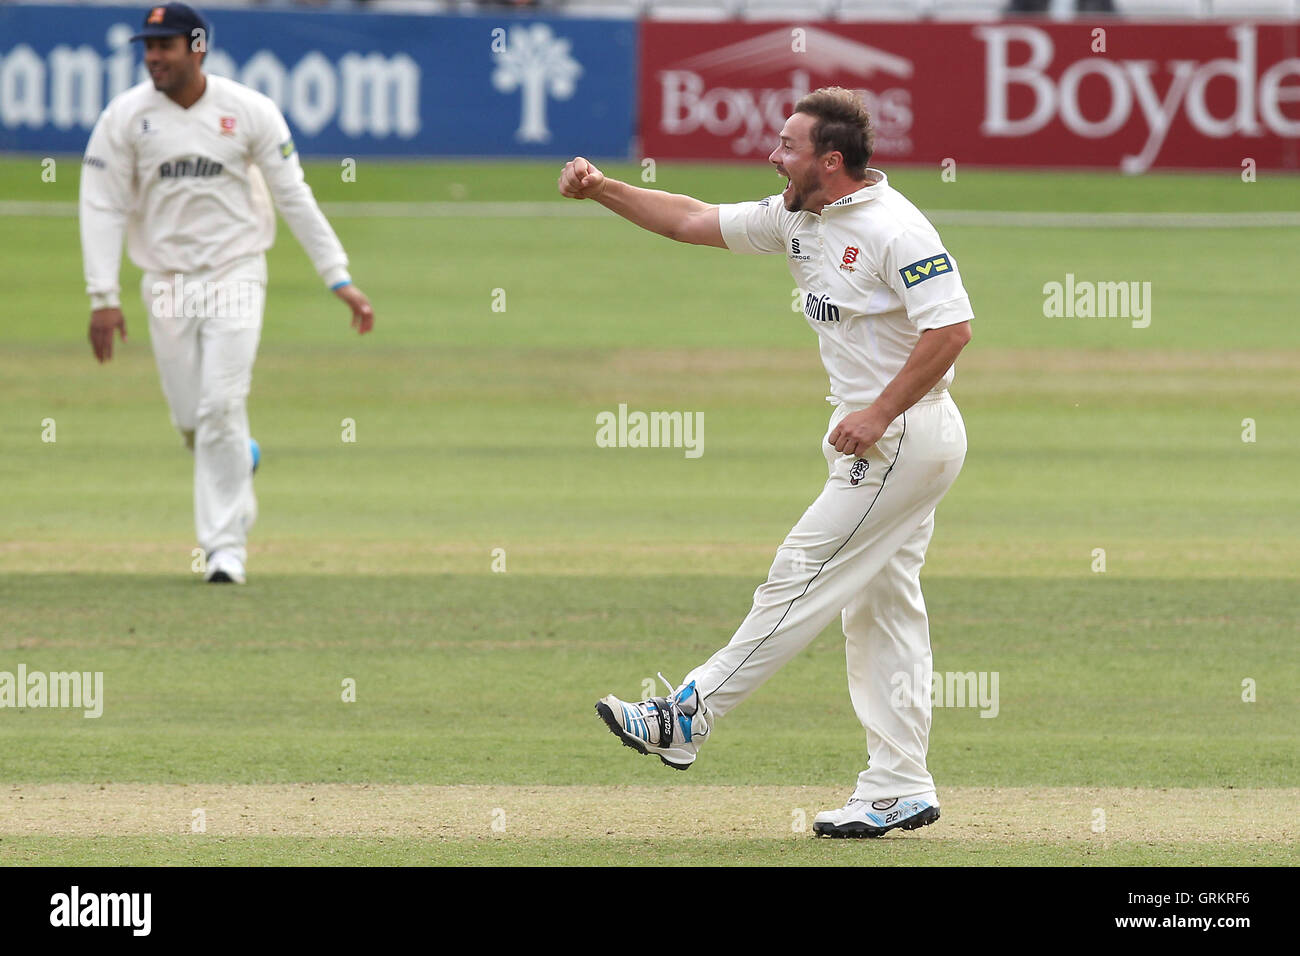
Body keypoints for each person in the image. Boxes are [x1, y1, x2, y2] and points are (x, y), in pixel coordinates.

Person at [560, 87, 973, 838]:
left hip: (901, 436)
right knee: (880, 610)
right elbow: (691, 219)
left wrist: (879, 411)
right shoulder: (798, 217)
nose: (772, 155)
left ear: (832, 160)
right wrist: (603, 189)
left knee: (800, 574)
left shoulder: (895, 228)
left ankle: (685, 714)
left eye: (787, 147)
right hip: (885, 437)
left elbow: (951, 331)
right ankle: (900, 784)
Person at [79, 3, 374, 584]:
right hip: (165, 280)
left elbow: (293, 194)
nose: (153, 57)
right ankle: (243, 458)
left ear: (197, 48)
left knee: (220, 407)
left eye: (164, 46)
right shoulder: (125, 117)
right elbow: (101, 204)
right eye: (148, 46)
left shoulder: (248, 110)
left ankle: (224, 550)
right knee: (192, 421)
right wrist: (102, 296)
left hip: (235, 273)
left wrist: (336, 275)